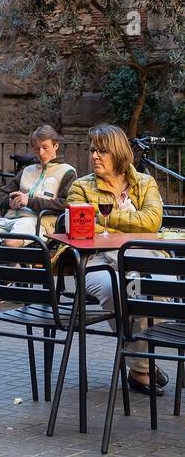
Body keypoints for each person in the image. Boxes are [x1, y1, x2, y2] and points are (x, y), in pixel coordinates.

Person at [67, 124, 167, 396]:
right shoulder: (80, 187)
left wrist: (106, 218)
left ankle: (139, 369)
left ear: (120, 153)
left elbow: (151, 222)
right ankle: (143, 368)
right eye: (92, 150)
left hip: (139, 258)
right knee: (115, 290)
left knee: (159, 287)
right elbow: (82, 227)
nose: (95, 156)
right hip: (95, 261)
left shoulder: (145, 183)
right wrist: (126, 228)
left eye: (103, 151)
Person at [0, 125, 76, 243]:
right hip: (8, 220)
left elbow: (66, 204)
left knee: (10, 242)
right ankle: (9, 261)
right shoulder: (27, 170)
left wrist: (29, 201)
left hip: (37, 223)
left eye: (45, 147)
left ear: (56, 146)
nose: (41, 153)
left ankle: (10, 261)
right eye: (37, 148)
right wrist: (10, 201)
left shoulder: (67, 171)